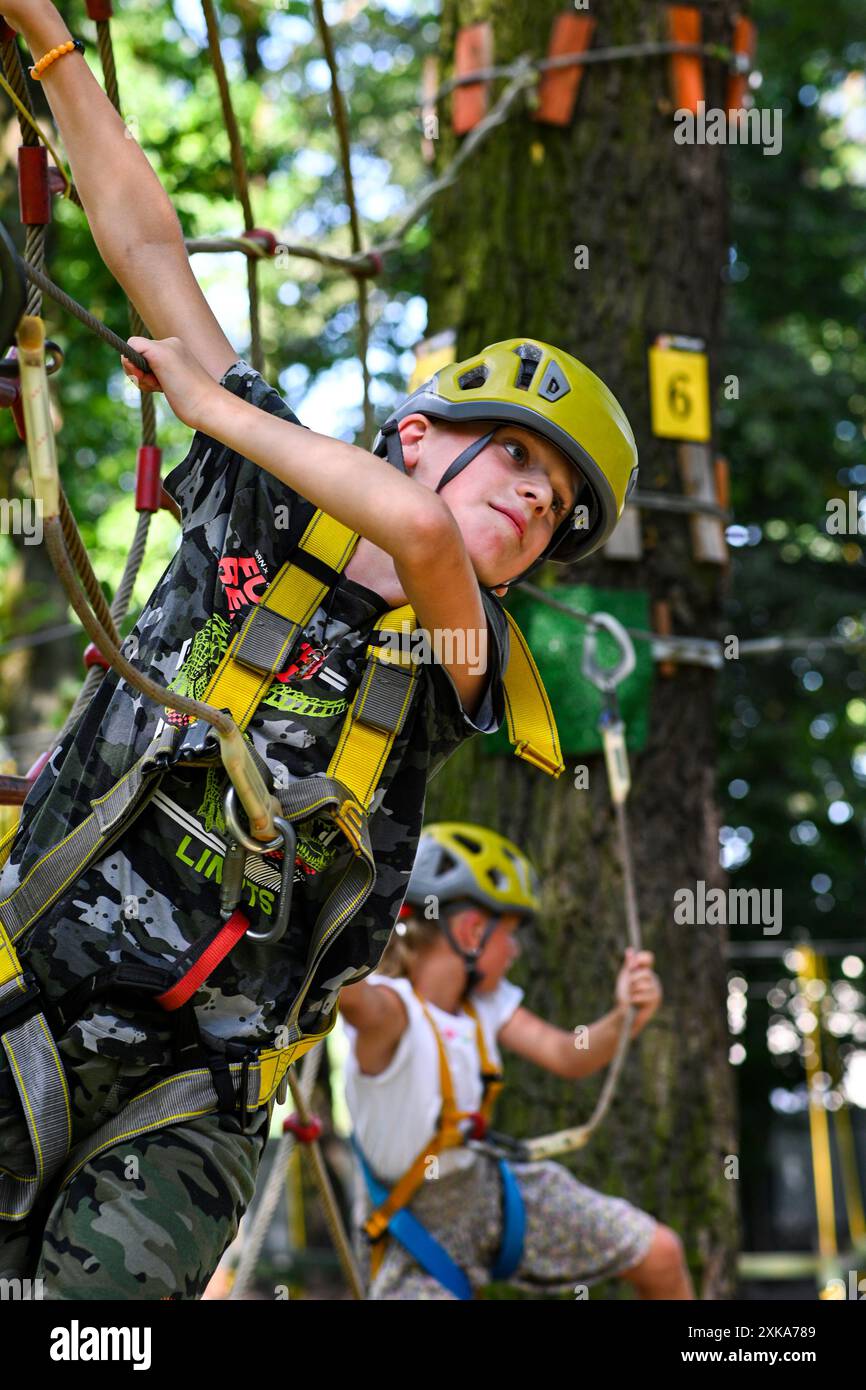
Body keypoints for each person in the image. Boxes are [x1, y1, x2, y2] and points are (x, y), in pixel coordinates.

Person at [0, 3, 637, 1299]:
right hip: (28, 979)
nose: (528, 496)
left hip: (193, 1094)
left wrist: (207, 402)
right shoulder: (259, 491)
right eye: (509, 450)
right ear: (413, 429)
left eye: (553, 503)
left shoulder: (471, 657)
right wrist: (49, 40)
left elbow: (412, 532)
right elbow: (146, 241)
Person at [340, 823, 694, 1300]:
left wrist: (624, 1016)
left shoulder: (484, 1003)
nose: (516, 950)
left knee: (660, 1253)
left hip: (489, 1189)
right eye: (510, 933)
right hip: (409, 1221)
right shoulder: (391, 1011)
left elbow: (569, 1055)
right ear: (471, 931)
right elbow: (348, 993)